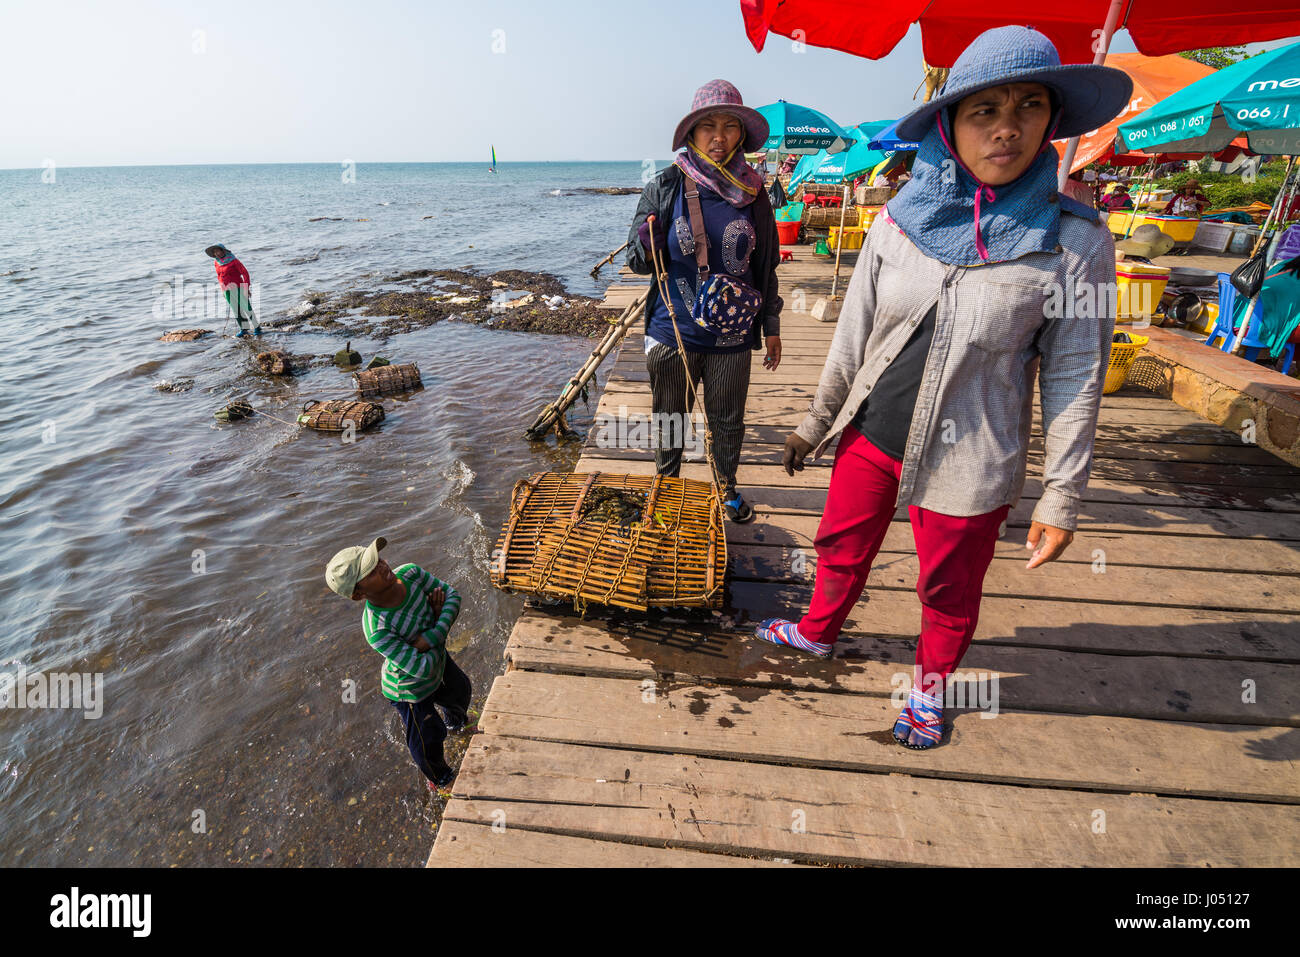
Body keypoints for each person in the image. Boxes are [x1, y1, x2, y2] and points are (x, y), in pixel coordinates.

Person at [751, 25, 1131, 749]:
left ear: (1053, 120)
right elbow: (853, 334)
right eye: (983, 110)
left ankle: (927, 691)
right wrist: (815, 422)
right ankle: (816, 630)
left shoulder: (1077, 242)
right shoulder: (897, 223)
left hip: (972, 453)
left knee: (949, 589)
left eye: (1027, 106)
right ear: (950, 125)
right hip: (873, 430)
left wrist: (1062, 495)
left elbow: (1077, 374)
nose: (1006, 128)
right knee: (840, 543)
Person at [626, 80, 782, 524]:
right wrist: (646, 240)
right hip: (672, 330)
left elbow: (766, 264)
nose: (719, 136)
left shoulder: (754, 192)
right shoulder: (665, 186)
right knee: (670, 418)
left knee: (728, 420)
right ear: (691, 133)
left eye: (729, 126)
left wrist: (771, 326)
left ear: (741, 136)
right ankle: (668, 487)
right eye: (708, 126)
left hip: (733, 334)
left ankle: (727, 487)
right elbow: (640, 263)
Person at [325, 537, 475, 795]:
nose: (382, 566)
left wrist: (431, 634)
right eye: (371, 571)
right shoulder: (377, 628)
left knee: (460, 691)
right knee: (428, 738)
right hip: (409, 688)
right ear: (358, 595)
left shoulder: (411, 573)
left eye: (378, 560)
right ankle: (440, 778)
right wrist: (440, 623)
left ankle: (457, 725)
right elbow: (421, 669)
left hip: (435, 660)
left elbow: (453, 596)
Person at [205, 244, 261, 337]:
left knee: (247, 308)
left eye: (218, 251)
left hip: (239, 287)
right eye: (214, 252)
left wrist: (246, 288)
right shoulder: (216, 262)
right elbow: (219, 276)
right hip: (227, 290)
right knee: (236, 310)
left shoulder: (234, 261)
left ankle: (257, 327)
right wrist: (223, 289)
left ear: (223, 251)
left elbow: (245, 273)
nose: (216, 254)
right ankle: (244, 329)